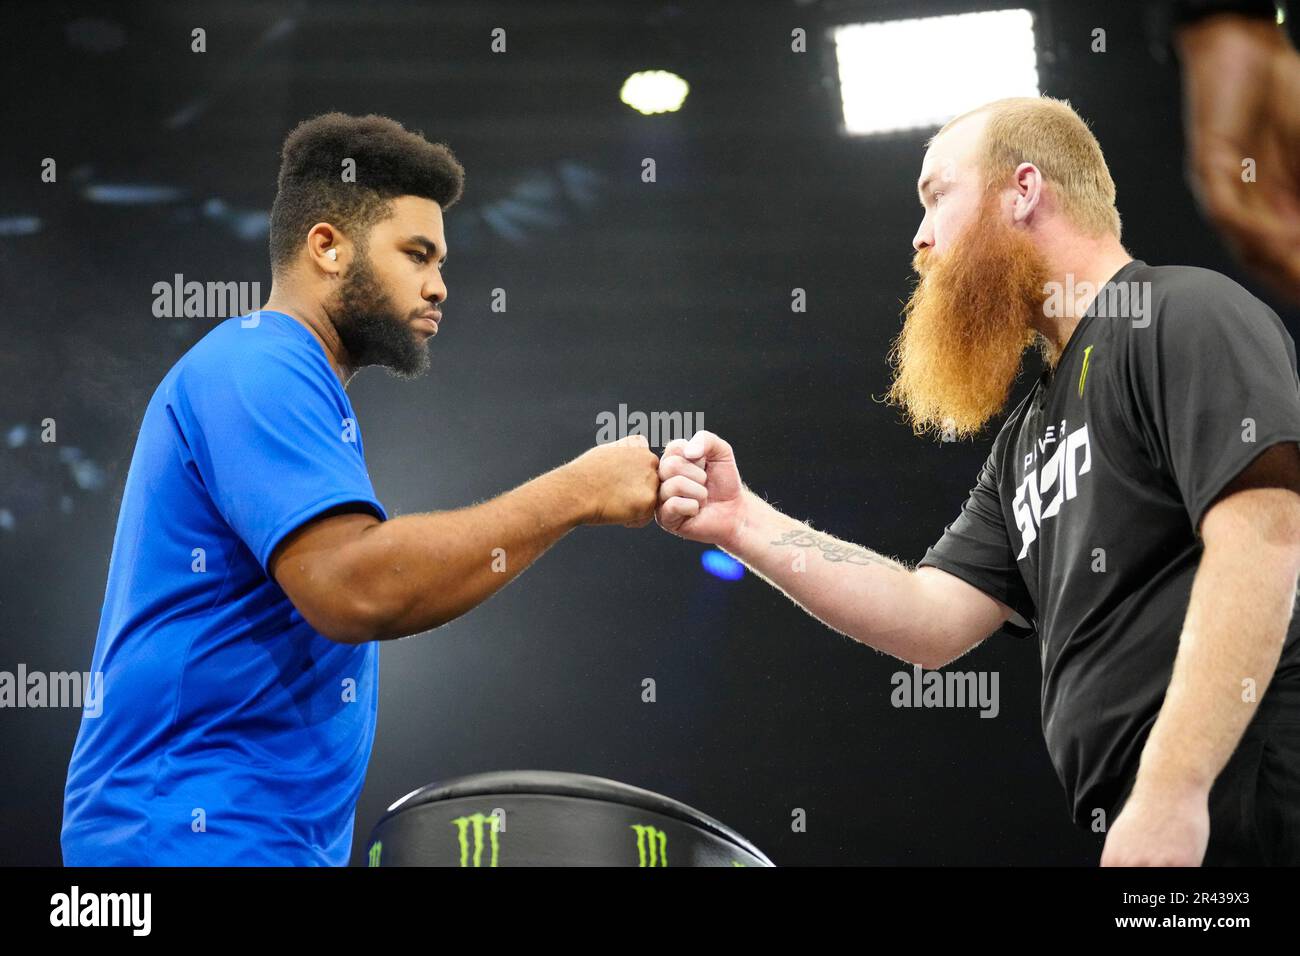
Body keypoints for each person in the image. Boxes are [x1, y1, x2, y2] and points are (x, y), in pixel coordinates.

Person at [656, 96, 1300, 866]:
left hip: (1253, 804)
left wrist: (1172, 792)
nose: (920, 239)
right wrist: (742, 522)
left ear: (1023, 191)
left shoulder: (1182, 314)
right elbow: (930, 618)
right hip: (1155, 820)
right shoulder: (1028, 436)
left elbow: (1268, 535)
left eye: (935, 197)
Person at [61, 113, 660, 866]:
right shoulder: (261, 365)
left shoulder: (287, 378)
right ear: (328, 246)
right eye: (417, 254)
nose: (440, 286)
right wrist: (579, 491)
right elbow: (359, 589)